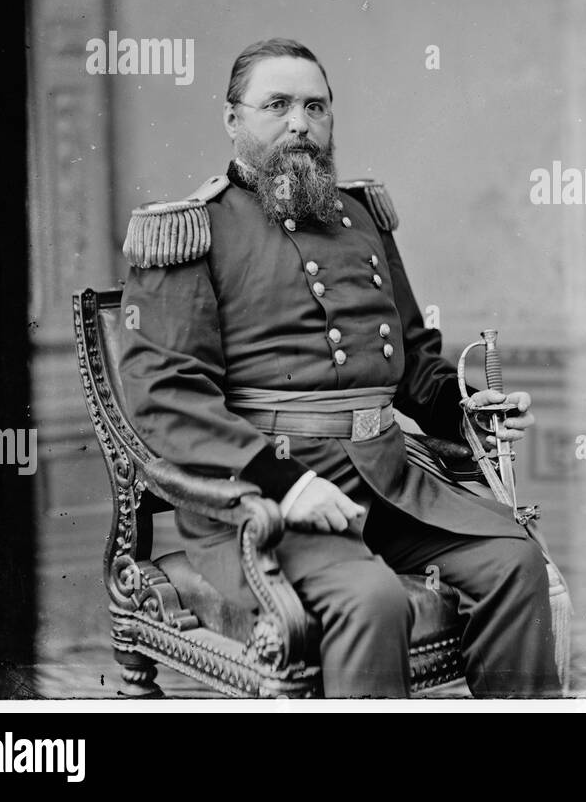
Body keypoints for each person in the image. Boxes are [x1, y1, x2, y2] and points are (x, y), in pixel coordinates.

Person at [118, 37, 561, 697]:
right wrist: (284, 483)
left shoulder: (360, 217)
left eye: (315, 106)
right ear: (232, 119)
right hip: (265, 497)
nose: (300, 122)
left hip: (388, 481)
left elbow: (413, 364)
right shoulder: (194, 229)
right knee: (371, 598)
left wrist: (466, 407)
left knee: (513, 559)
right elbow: (166, 397)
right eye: (277, 104)